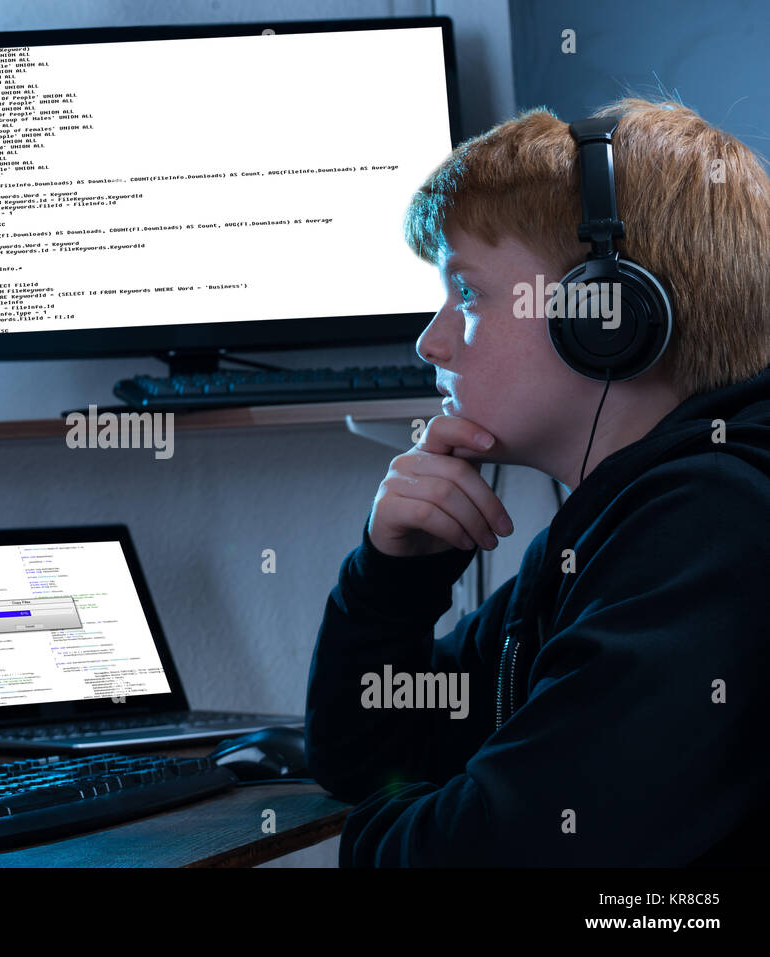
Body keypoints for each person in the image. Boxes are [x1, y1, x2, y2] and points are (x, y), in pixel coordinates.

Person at [305, 97, 770, 866]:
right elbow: (365, 756)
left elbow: (495, 855)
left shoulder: (712, 524)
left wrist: (391, 833)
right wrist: (392, 582)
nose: (432, 341)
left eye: (470, 292)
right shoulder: (603, 530)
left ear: (607, 311)